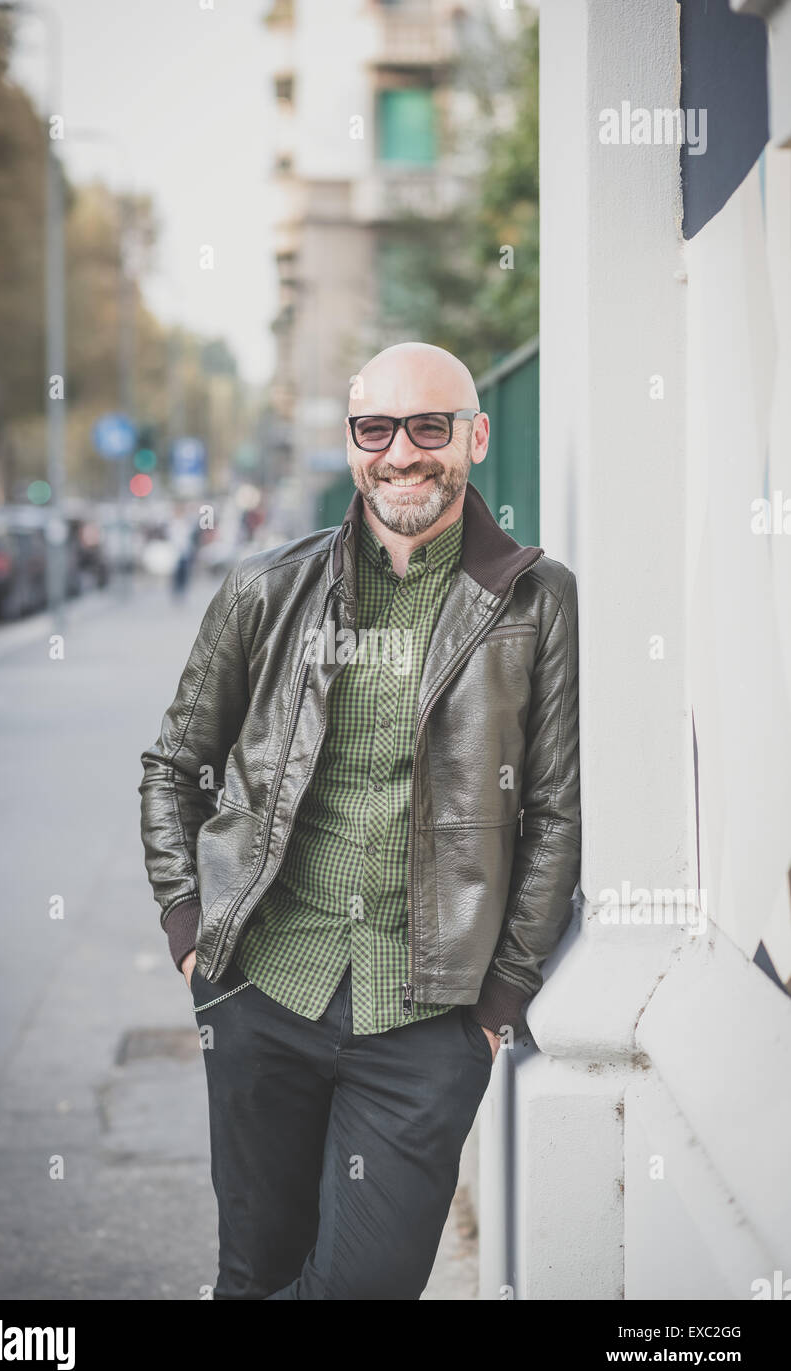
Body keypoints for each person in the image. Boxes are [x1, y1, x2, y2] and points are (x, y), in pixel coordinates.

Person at [139, 341, 581, 1300]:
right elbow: (175, 766)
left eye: (429, 427)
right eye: (376, 429)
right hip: (261, 996)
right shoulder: (267, 589)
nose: (403, 454)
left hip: (429, 1021)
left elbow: (551, 811)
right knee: (252, 1275)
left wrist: (499, 1000)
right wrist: (191, 937)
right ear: (350, 444)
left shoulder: (537, 600)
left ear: (475, 434)